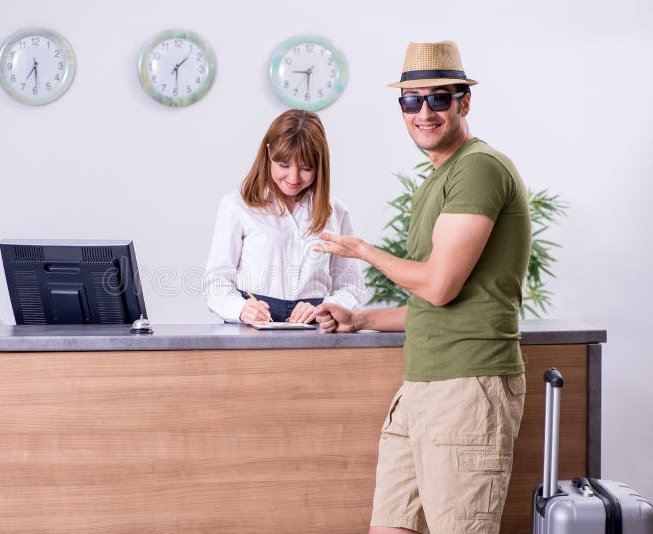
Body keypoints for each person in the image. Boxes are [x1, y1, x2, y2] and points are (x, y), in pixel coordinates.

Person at [314, 41, 531, 533]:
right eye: (412, 101)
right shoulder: (436, 181)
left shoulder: (478, 168)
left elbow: (438, 286)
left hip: (465, 390)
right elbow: (434, 307)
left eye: (439, 98)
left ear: (464, 102)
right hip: (420, 389)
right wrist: (361, 318)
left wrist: (363, 251)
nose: (424, 112)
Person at [205, 109, 363, 325]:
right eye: (284, 165)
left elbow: (351, 285)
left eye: (306, 168)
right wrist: (241, 308)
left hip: (314, 329)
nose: (294, 178)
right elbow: (216, 281)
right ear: (270, 153)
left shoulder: (335, 211)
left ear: (320, 165)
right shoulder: (236, 205)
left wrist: (326, 307)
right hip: (252, 328)